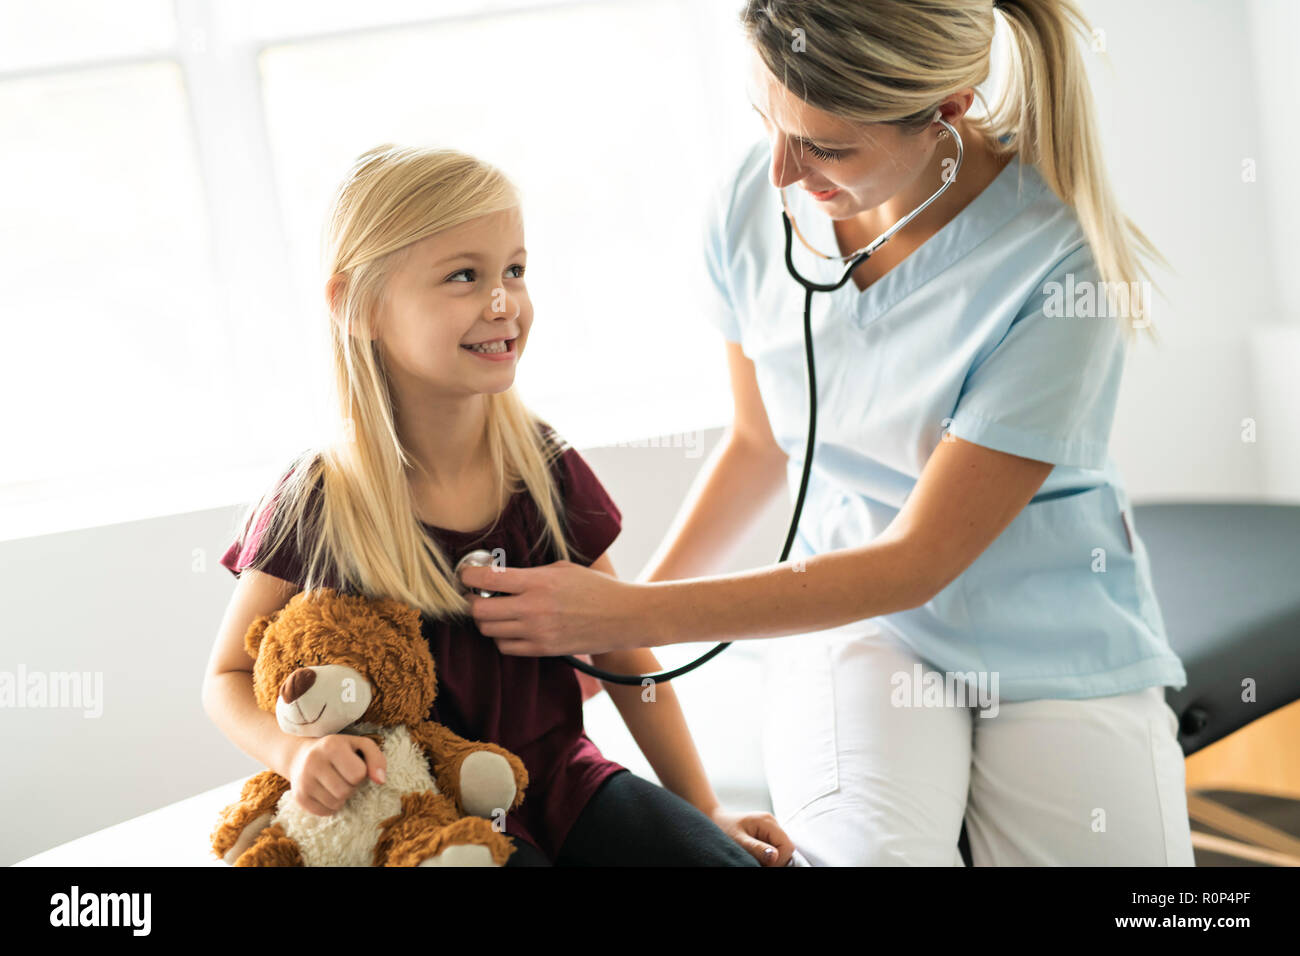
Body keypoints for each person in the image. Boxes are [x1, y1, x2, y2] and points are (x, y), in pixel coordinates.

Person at [457, 0, 1196, 866]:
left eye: (826, 146)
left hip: (1050, 633)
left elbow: (918, 561)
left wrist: (629, 609)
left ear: (948, 111)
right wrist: (620, 641)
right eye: (771, 123)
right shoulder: (750, 204)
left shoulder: (1060, 263)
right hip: (856, 622)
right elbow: (759, 444)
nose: (778, 171)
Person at [201, 144, 792, 866]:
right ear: (355, 306)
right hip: (423, 813)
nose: (503, 301)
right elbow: (226, 677)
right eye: (464, 276)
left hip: (561, 780)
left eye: (514, 269)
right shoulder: (321, 499)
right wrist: (293, 752)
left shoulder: (543, 467)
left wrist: (703, 807)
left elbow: (624, 647)